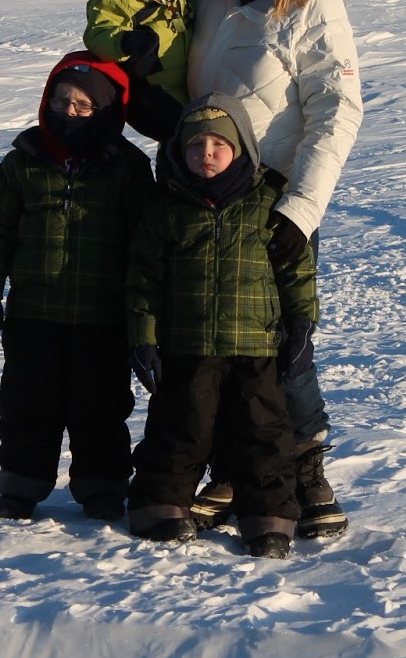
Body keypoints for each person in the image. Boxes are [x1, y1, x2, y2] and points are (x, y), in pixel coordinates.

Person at [184, 0, 363, 540]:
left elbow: (337, 110)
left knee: (284, 344)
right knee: (214, 343)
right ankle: (236, 467)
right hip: (206, 201)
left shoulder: (311, 1)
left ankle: (306, 467)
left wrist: (301, 209)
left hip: (277, 204)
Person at [124, 96, 318, 559]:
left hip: (257, 344)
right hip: (186, 345)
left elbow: (297, 271)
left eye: (217, 144)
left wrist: (302, 324)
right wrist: (143, 336)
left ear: (241, 149)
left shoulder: (268, 201)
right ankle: (161, 505)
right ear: (177, 152)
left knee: (263, 432)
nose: (205, 153)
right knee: (180, 427)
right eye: (194, 145)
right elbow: (143, 278)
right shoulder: (168, 207)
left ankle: (268, 518)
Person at [0, 51, 153, 523]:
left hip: (103, 316)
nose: (68, 111)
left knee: (102, 407)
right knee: (28, 403)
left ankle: (102, 487)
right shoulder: (22, 162)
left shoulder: (128, 168)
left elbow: (145, 244)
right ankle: (21, 486)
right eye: (60, 99)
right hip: (34, 313)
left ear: (107, 111)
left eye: (83, 105)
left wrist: (144, 313)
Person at [84, 0, 194, 143]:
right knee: (180, 135)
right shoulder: (115, 0)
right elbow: (98, 34)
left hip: (189, 79)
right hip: (154, 86)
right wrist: (125, 42)